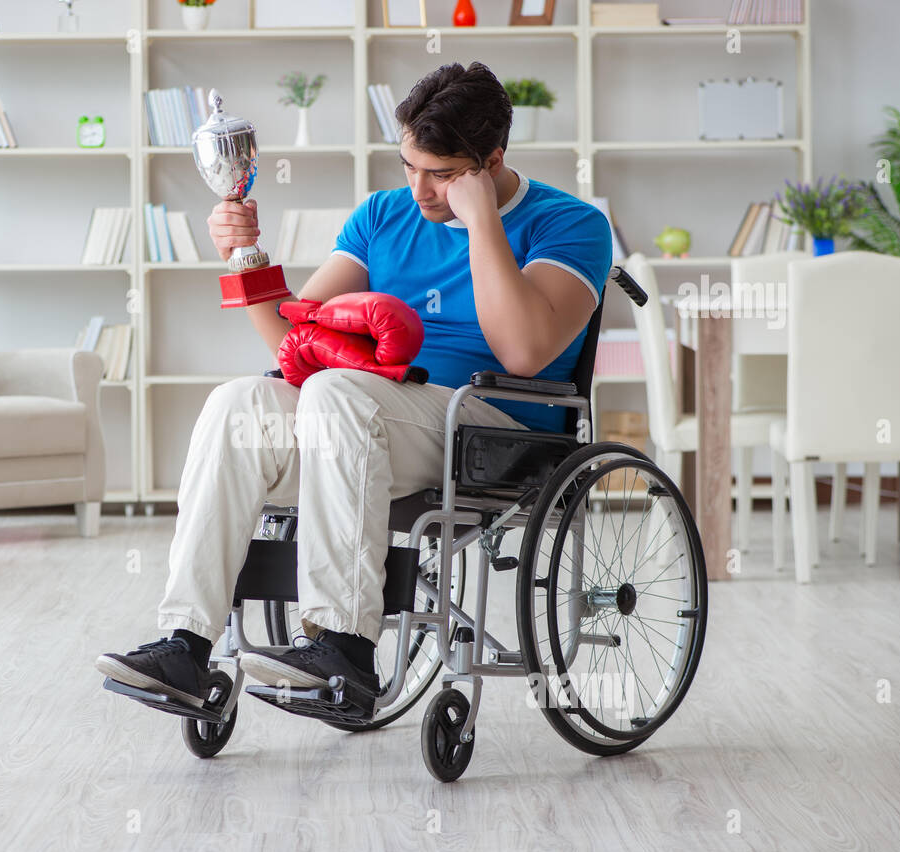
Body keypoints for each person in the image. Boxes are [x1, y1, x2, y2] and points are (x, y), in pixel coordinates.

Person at [96, 61, 612, 715]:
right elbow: (296, 341)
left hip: (489, 428)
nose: (420, 190)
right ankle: (185, 645)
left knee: (338, 392)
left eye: (443, 173)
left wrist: (480, 223)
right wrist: (245, 253)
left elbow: (525, 349)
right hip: (363, 419)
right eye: (408, 165)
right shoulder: (382, 216)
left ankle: (342, 646)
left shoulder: (570, 224)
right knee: (239, 402)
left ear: (492, 161)